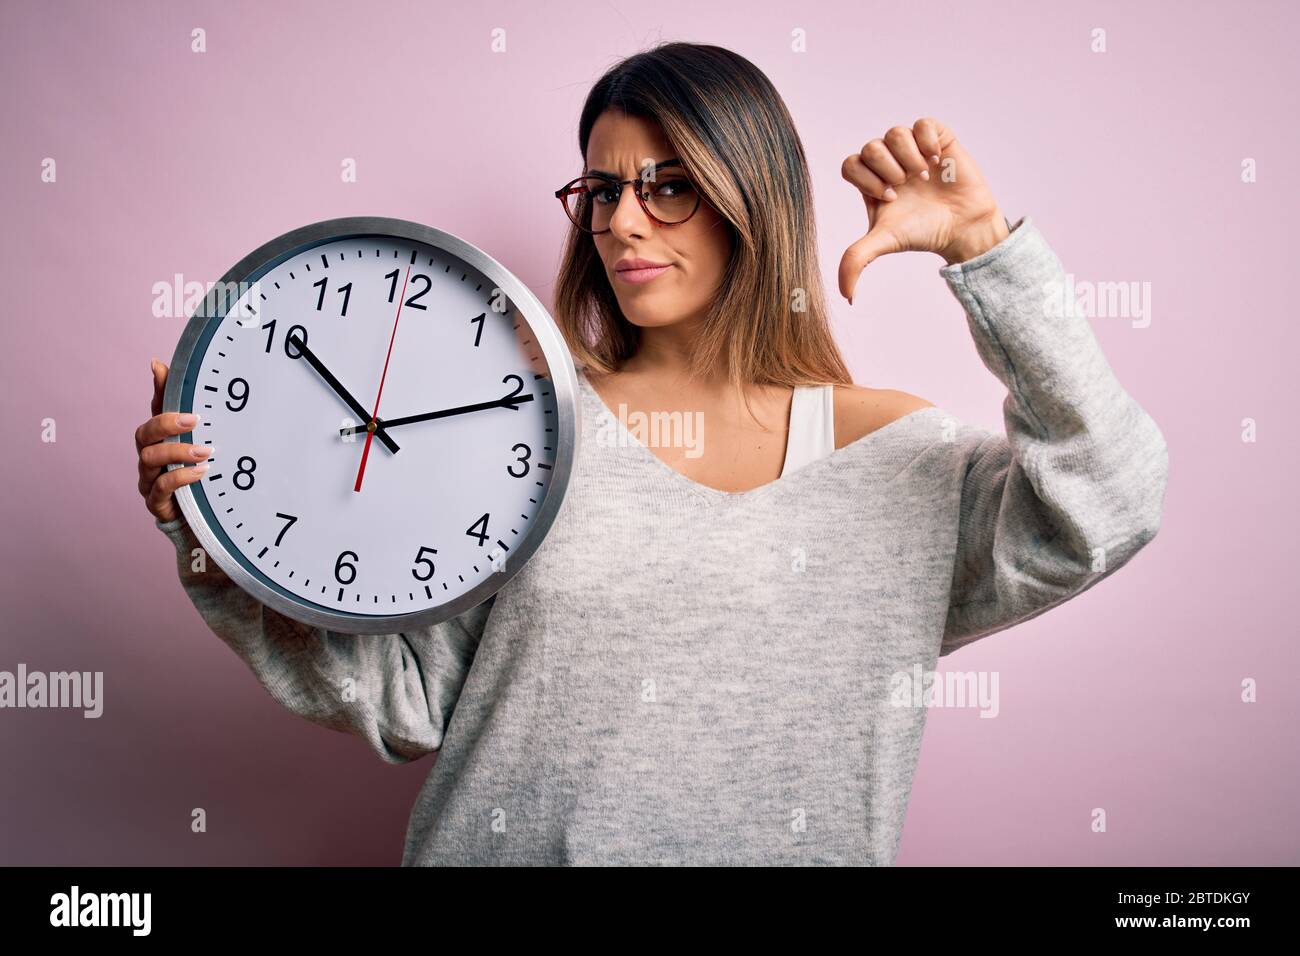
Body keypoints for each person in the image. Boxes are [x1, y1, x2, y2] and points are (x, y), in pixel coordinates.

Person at [135, 42, 1168, 865]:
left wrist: (985, 248)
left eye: (669, 186)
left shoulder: (898, 458)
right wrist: (222, 544)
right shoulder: (518, 432)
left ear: (750, 198)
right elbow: (408, 703)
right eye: (601, 189)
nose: (622, 221)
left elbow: (1111, 499)